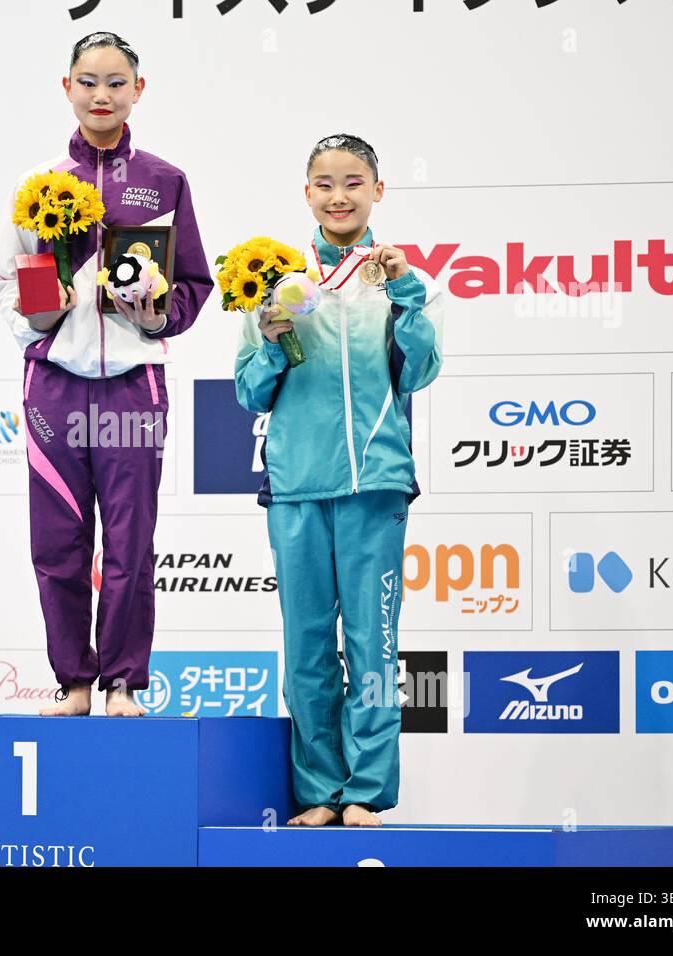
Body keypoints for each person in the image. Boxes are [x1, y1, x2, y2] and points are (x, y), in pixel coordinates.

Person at [0, 32, 213, 717]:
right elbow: (4, 280)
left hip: (133, 384)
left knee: (129, 539)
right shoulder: (39, 186)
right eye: (88, 81)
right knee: (57, 542)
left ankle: (122, 682)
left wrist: (153, 316)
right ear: (67, 88)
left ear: (138, 90)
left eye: (116, 82)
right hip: (54, 382)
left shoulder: (165, 181)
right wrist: (41, 314)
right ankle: (73, 682)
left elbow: (193, 285)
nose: (101, 94)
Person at [234, 134, 443, 825]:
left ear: (378, 191)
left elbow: (421, 370)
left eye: (353, 182)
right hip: (295, 486)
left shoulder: (398, 278)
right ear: (306, 194)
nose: (339, 195)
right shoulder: (273, 278)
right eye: (324, 183)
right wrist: (268, 336)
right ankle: (320, 791)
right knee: (307, 652)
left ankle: (366, 794)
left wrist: (408, 290)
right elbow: (250, 392)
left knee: (374, 648)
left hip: (376, 483)